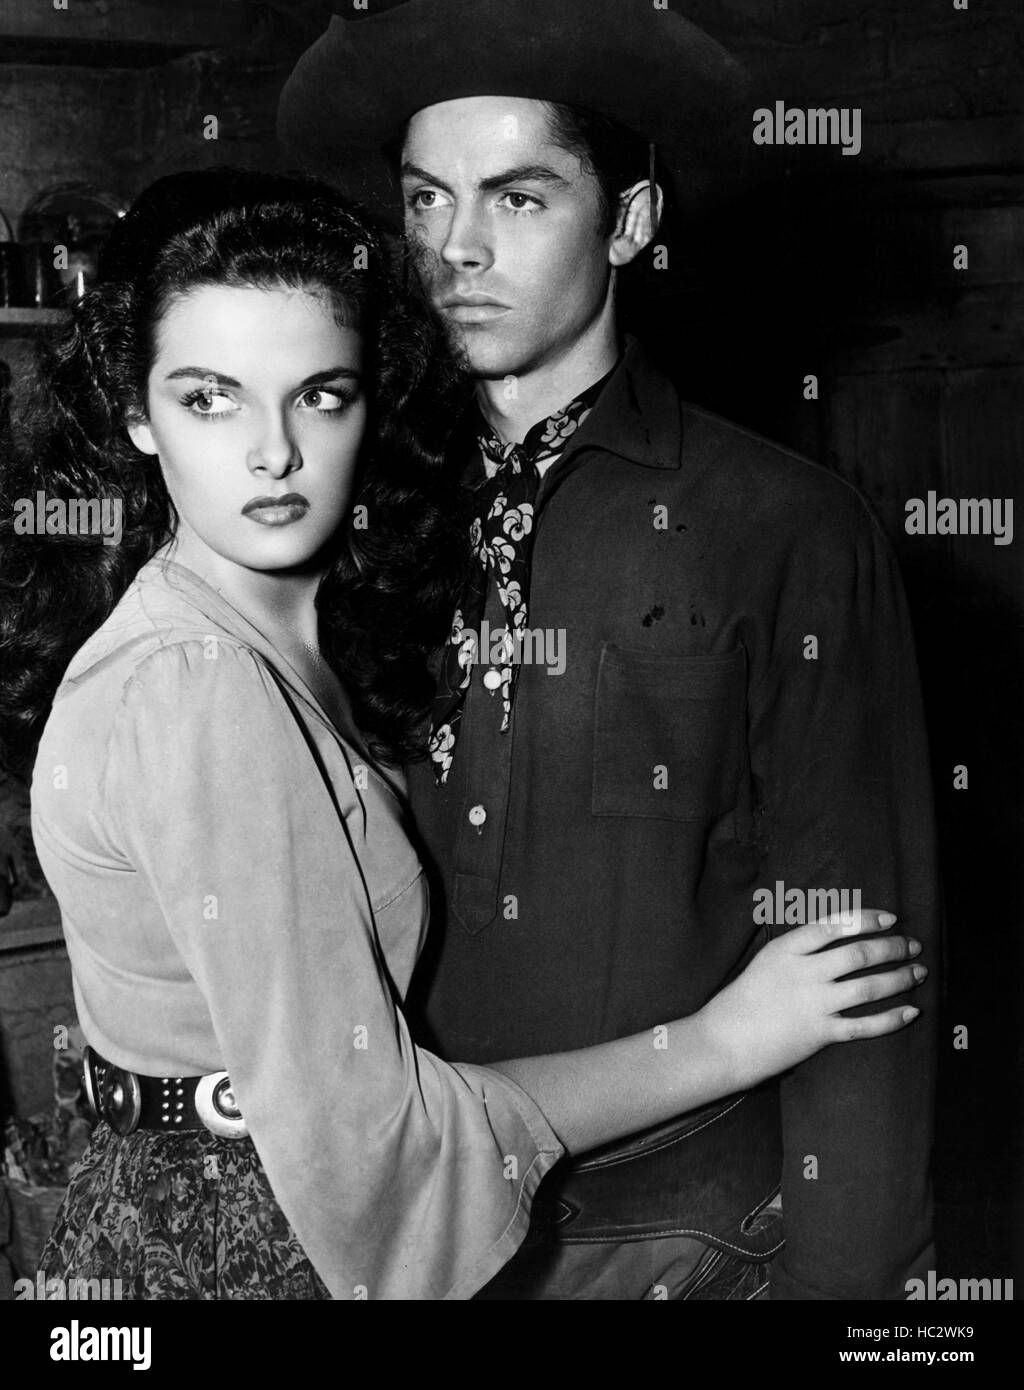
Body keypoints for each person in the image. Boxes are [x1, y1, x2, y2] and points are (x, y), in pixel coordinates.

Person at [0, 169, 925, 1301]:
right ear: (139, 415)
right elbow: (379, 1133)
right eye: (210, 399)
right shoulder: (198, 683)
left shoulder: (281, 635)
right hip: (245, 1243)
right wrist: (730, 1039)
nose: (273, 452)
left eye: (320, 394)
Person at [277, 0, 941, 1300]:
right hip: (405, 1226)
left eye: (518, 198)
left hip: (687, 1241)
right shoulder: (340, 509)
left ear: (631, 221)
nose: (456, 248)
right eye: (425, 201)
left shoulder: (785, 528)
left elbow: (859, 969)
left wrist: (861, 1294)